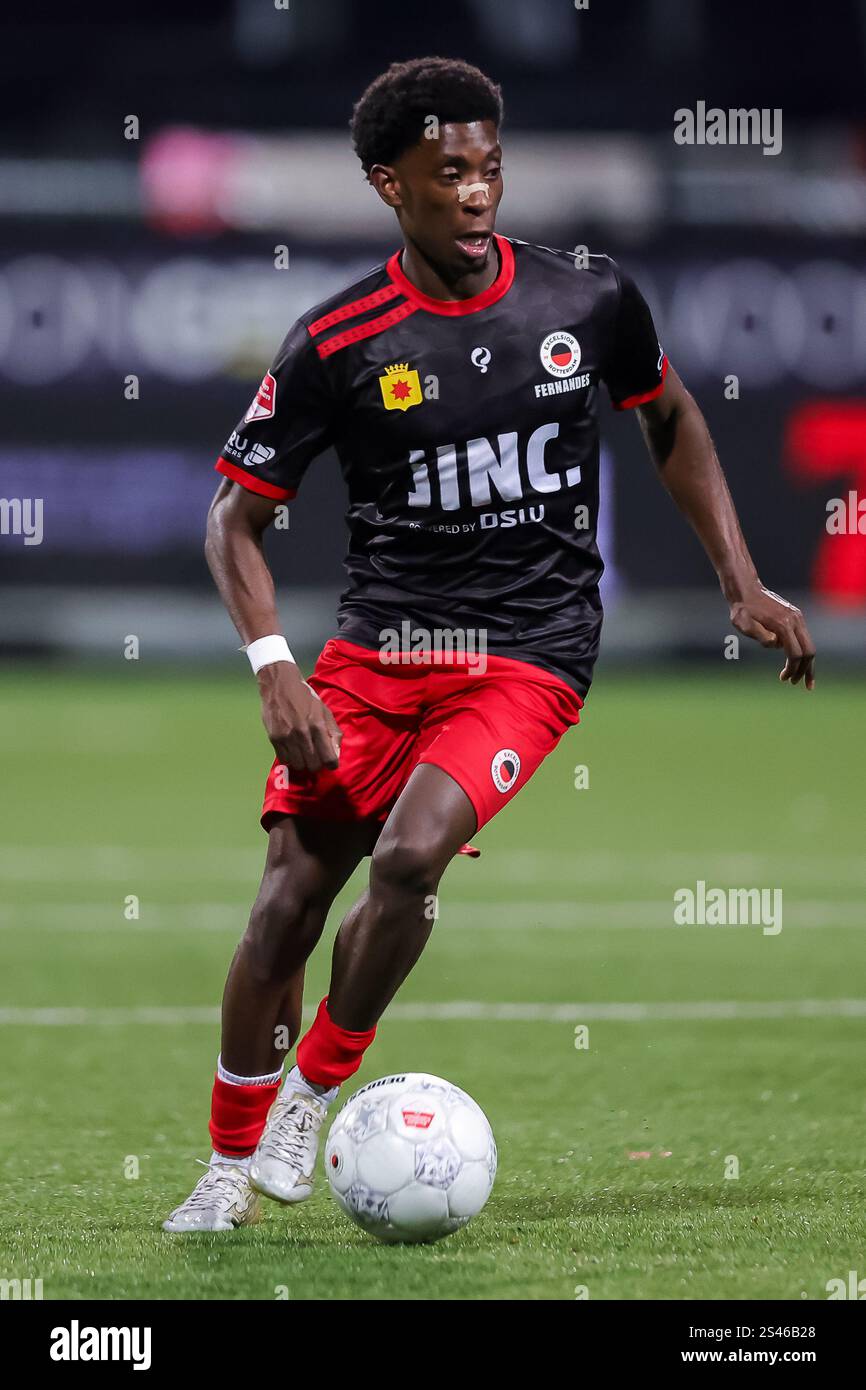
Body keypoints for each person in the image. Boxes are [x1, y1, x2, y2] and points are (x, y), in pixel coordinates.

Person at [163, 56, 815, 1232]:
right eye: (447, 173)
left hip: (528, 646)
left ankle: (312, 1088)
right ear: (387, 185)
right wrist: (275, 669)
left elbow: (667, 414)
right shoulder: (337, 340)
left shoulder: (585, 300)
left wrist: (740, 579)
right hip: (376, 648)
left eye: (489, 169)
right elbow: (233, 519)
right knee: (285, 906)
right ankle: (223, 1164)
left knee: (409, 857)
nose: (476, 194)